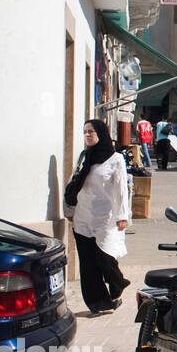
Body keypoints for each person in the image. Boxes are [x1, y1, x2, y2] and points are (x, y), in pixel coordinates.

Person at [64, 120, 130, 316]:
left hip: (106, 217)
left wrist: (122, 215)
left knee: (105, 257)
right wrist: (69, 209)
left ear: (101, 133)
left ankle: (117, 283)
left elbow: (121, 189)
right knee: (87, 263)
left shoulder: (115, 158)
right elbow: (74, 181)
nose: (87, 135)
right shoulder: (85, 157)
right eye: (85, 132)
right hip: (83, 215)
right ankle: (97, 303)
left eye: (91, 131)